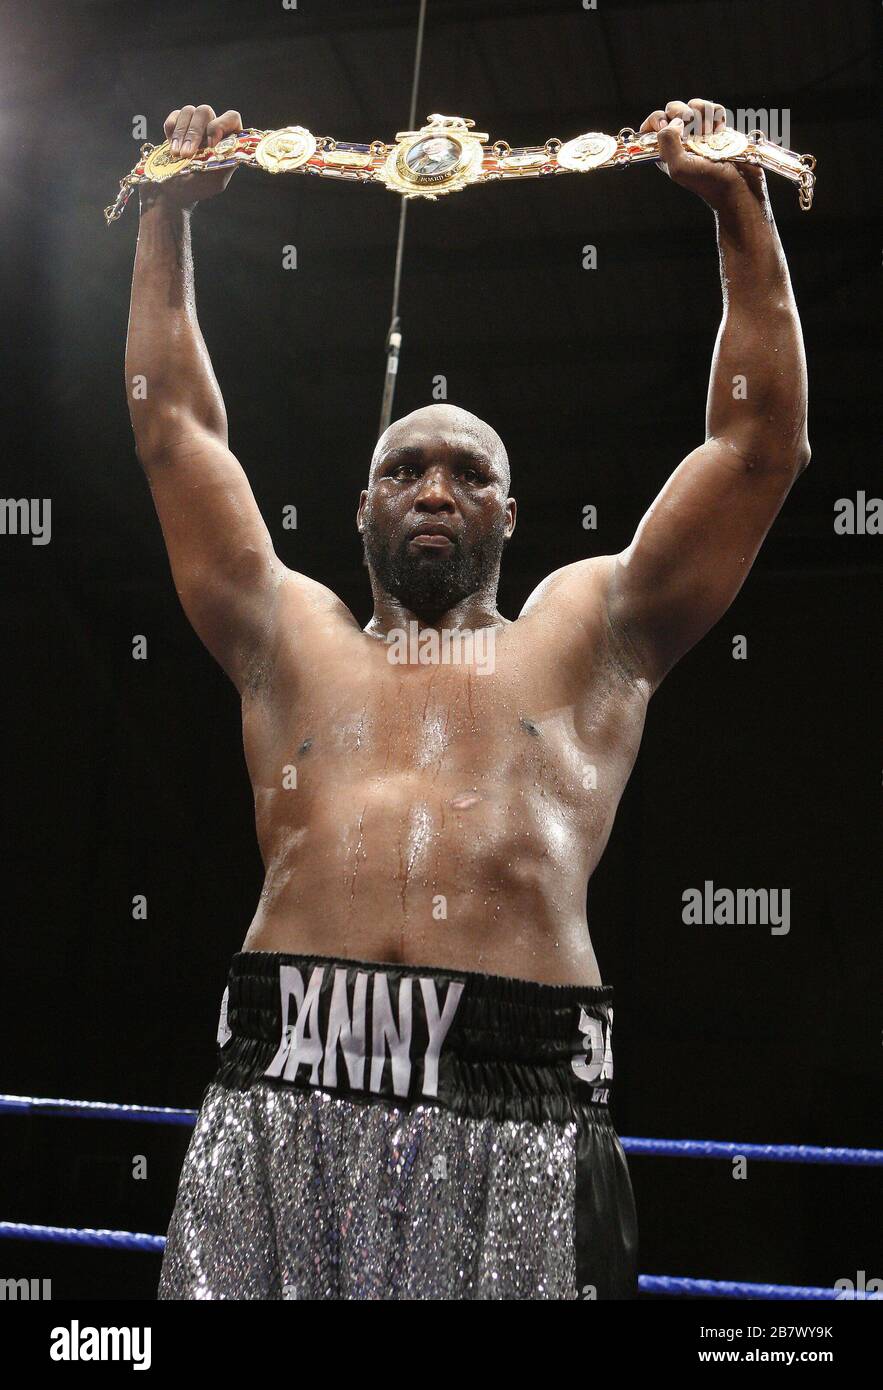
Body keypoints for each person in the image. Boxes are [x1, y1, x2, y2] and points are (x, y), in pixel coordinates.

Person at [125, 97, 810, 1300]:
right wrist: (168, 213)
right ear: (359, 508)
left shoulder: (594, 630)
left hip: (524, 1096)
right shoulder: (285, 633)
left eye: (467, 472)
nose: (433, 485)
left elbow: (758, 452)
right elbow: (174, 433)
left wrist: (734, 205)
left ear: (508, 512)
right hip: (284, 1072)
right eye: (402, 467)